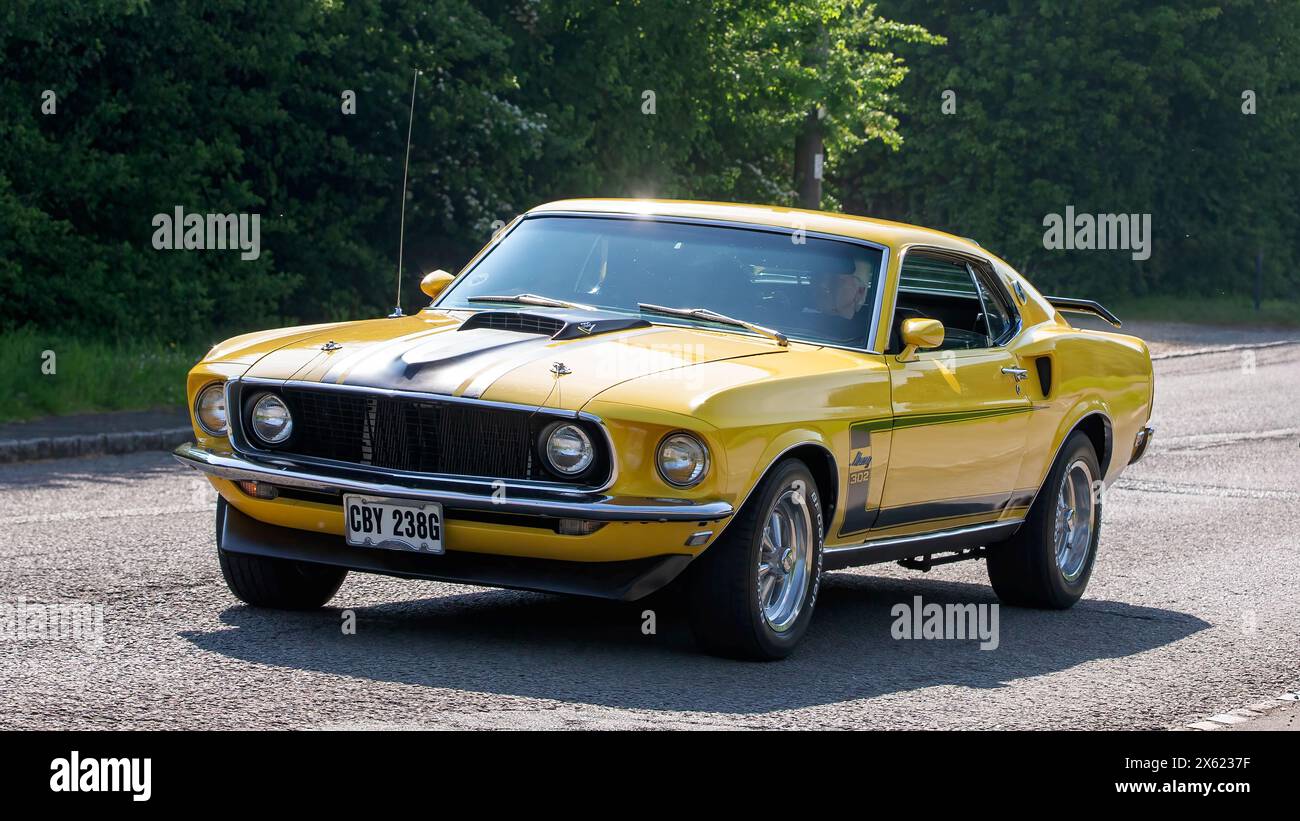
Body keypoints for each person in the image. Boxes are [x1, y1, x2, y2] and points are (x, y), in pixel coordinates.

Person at [810, 256, 874, 346]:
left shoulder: (869, 334)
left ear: (859, 293)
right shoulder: (797, 321)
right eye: (816, 279)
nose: (823, 285)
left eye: (838, 281)